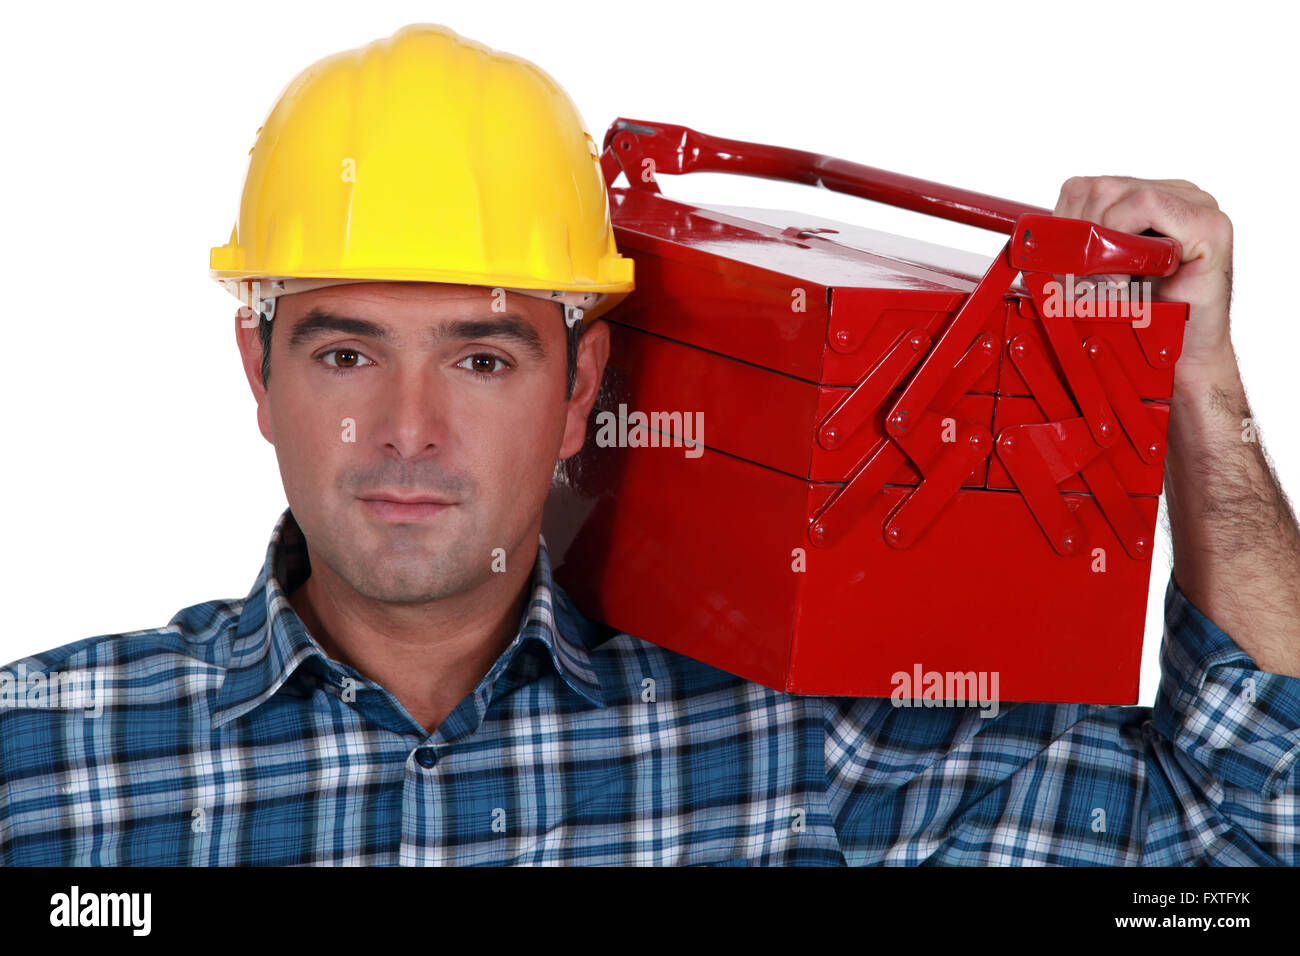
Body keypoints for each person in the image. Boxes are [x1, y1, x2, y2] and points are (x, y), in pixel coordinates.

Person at [1, 23, 1296, 866]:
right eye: (346, 353)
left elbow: (1249, 828)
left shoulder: (800, 751)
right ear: (258, 376)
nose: (408, 430)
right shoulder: (48, 766)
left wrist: (1198, 388)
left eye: (484, 357)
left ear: (582, 393)